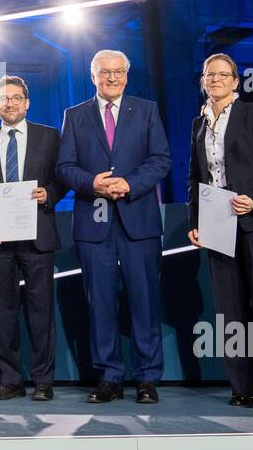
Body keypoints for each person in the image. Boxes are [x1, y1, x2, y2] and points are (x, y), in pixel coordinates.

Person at [57, 49, 171, 404]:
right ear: (93, 76)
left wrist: (129, 184)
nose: (111, 78)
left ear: (127, 74)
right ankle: (108, 377)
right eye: (104, 72)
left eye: (118, 71)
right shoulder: (74, 116)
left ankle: (147, 379)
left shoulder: (147, 110)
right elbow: (65, 166)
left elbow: (161, 160)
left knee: (145, 302)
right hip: (94, 224)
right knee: (100, 304)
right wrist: (94, 183)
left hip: (138, 220)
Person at [187, 54, 253, 408]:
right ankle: (242, 386)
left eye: (223, 74)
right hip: (217, 223)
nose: (215, 79)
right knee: (230, 308)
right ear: (203, 81)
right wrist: (195, 222)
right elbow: (195, 178)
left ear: (236, 81)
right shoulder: (199, 122)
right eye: (209, 74)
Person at [0, 76, 68, 401]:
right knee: (4, 312)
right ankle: (9, 380)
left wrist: (48, 193)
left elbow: (62, 178)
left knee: (41, 312)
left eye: (15, 98)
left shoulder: (49, 136)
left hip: (38, 237)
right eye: (2, 98)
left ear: (27, 103)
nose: (9, 103)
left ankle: (43, 381)